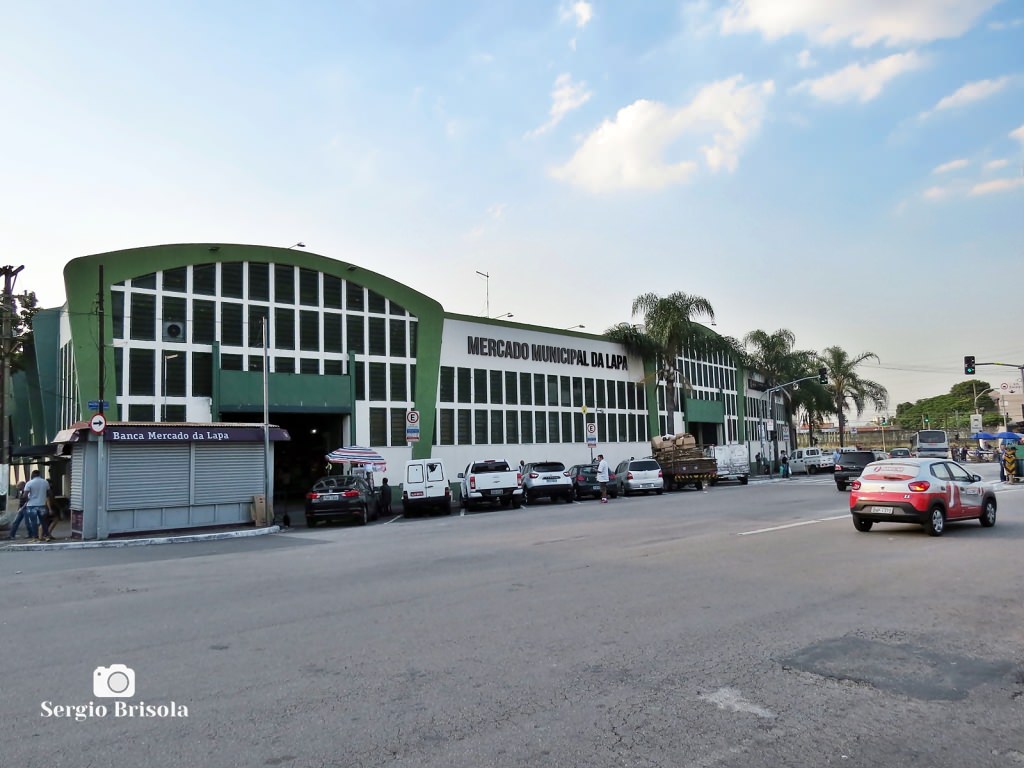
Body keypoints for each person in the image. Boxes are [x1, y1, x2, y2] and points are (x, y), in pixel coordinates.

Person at [22, 470, 51, 542]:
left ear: (32, 475)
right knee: (43, 521)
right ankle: (47, 536)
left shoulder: (29, 483)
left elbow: (24, 495)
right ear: (39, 474)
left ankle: (35, 537)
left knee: (33, 522)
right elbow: (49, 493)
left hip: (32, 505)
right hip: (42, 505)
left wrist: (27, 500)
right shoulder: (45, 482)